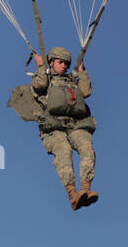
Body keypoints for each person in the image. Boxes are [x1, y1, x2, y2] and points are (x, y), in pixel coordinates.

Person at [31, 47, 98, 210]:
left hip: (75, 124)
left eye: (67, 64)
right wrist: (41, 66)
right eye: (60, 62)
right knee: (64, 150)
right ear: (52, 62)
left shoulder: (72, 81)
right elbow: (39, 85)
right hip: (54, 127)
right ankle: (72, 194)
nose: (64, 66)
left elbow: (86, 92)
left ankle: (86, 190)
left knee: (87, 149)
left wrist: (81, 73)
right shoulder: (45, 78)